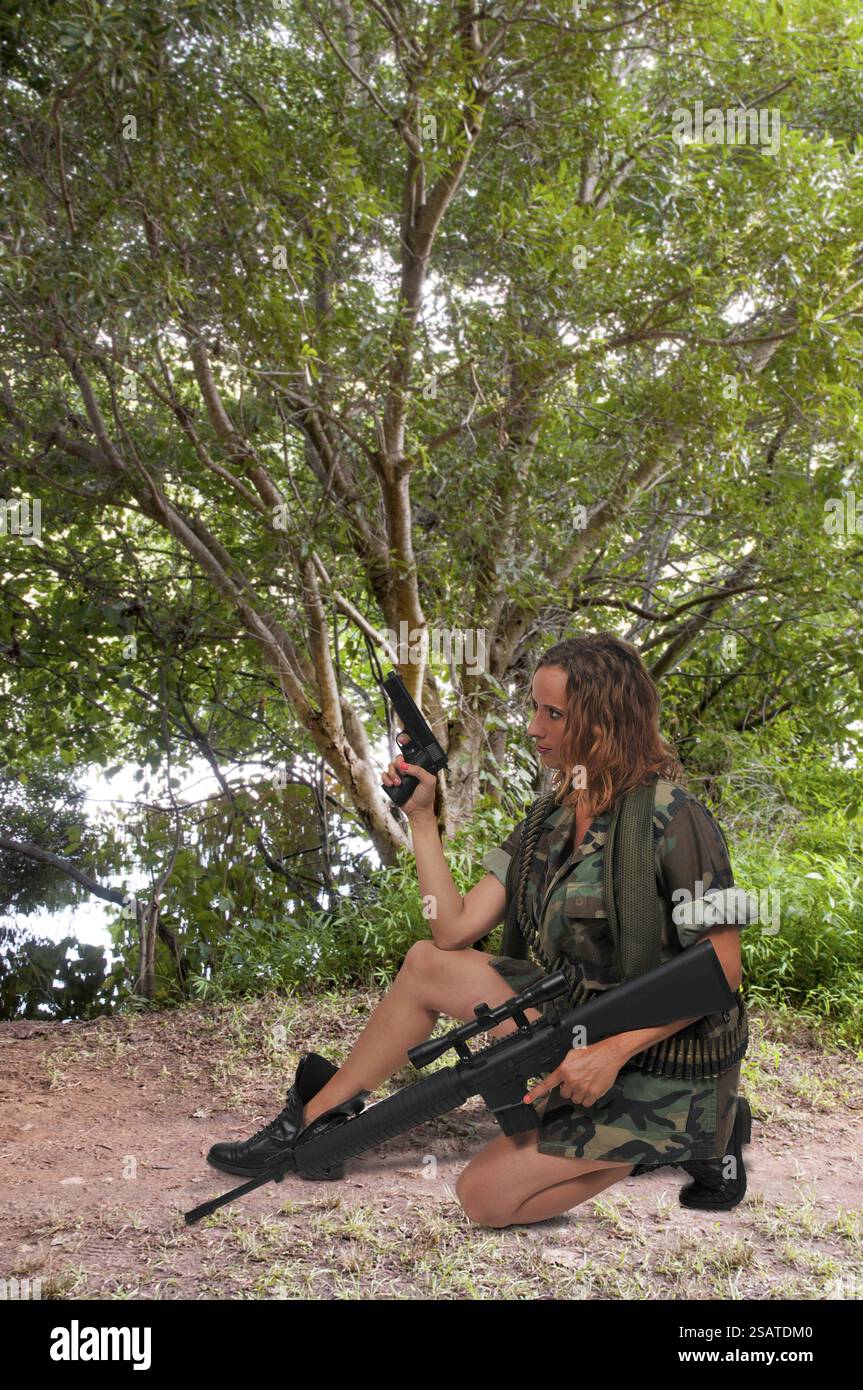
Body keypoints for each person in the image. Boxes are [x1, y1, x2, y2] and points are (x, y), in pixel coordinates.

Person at [207, 632, 753, 1226]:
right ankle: (312, 1118)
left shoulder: (674, 818)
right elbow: (454, 929)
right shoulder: (549, 820)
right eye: (534, 709)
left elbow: (722, 967)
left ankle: (693, 1134)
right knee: (425, 963)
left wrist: (611, 1055)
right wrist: (421, 817)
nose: (533, 727)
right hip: (575, 1016)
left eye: (553, 713)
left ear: (603, 721)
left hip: (661, 1051)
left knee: (486, 1198)